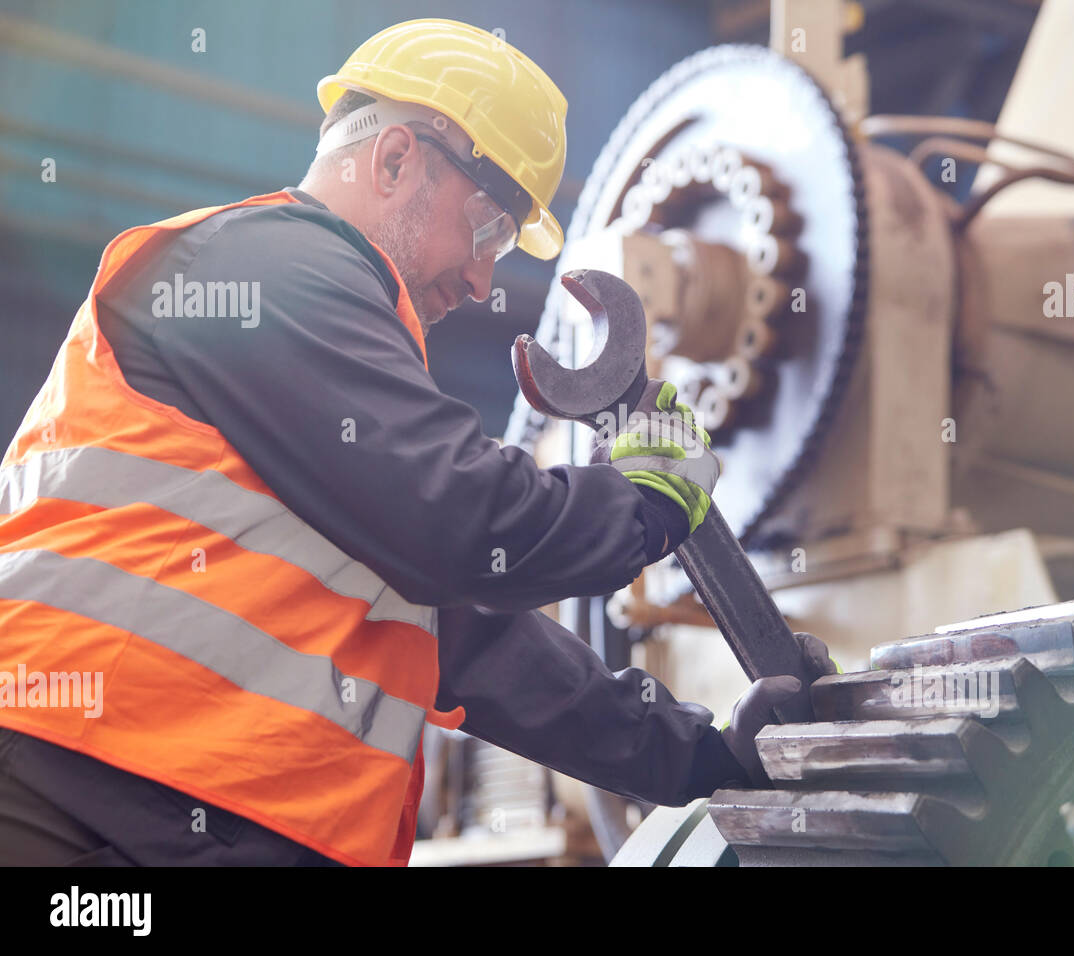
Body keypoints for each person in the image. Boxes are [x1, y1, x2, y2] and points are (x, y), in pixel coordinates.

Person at [0, 18, 834, 866]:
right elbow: (463, 522)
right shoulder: (254, 272)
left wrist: (707, 756)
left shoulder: (351, 416)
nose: (481, 280)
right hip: (85, 791)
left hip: (189, 813)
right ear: (395, 159)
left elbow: (482, 643)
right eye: (487, 232)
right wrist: (646, 500)